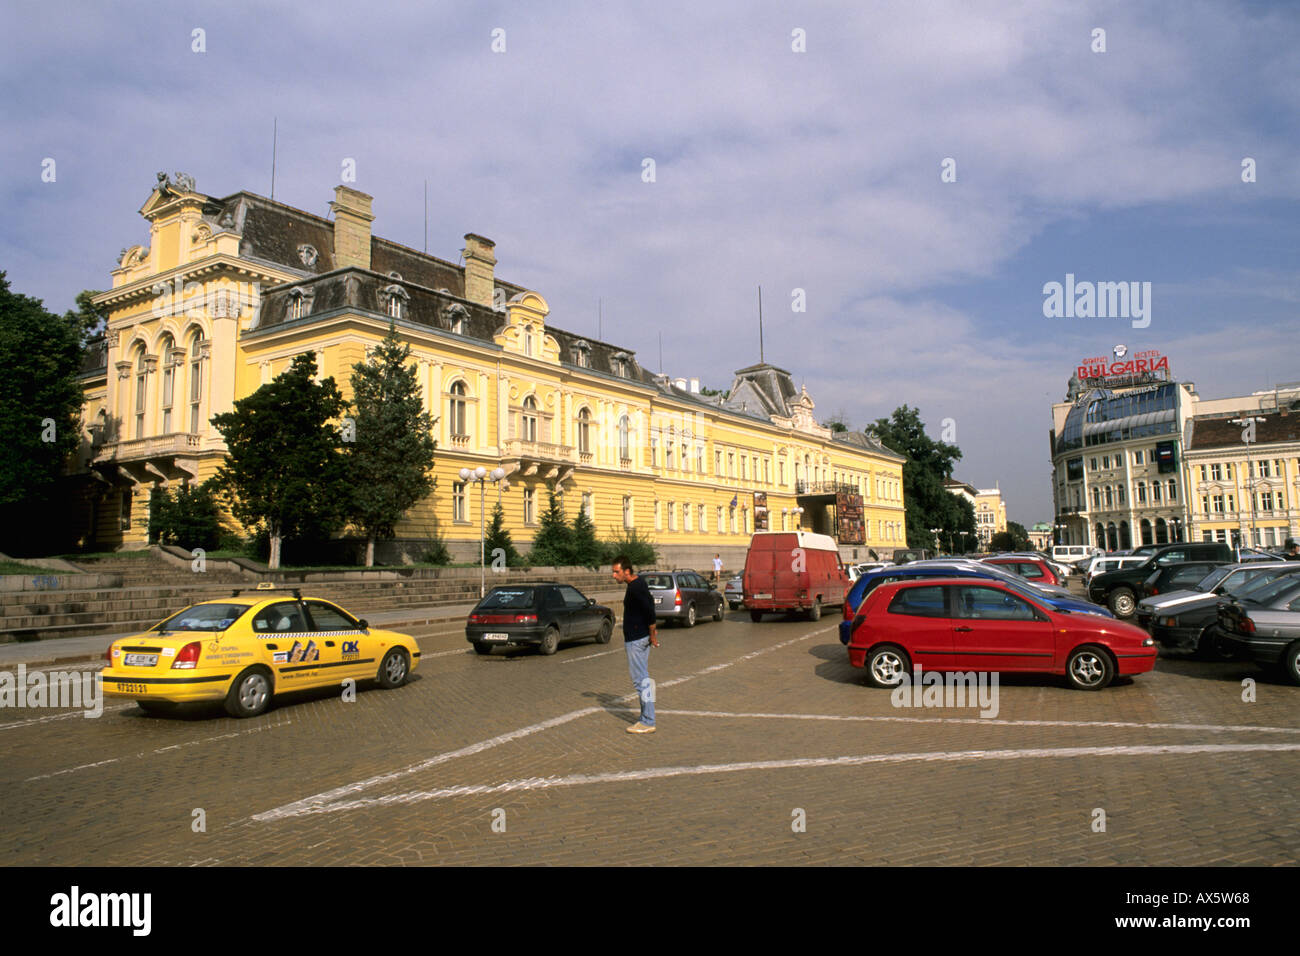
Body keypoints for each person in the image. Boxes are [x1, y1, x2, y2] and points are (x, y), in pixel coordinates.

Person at [612, 555, 658, 733]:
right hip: (640, 637)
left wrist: (652, 633)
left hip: (637, 640)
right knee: (645, 679)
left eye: (617, 572)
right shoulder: (637, 584)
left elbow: (650, 610)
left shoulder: (635, 588)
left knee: (641, 681)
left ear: (627, 571)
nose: (614, 576)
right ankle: (647, 718)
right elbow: (650, 605)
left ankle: (647, 721)